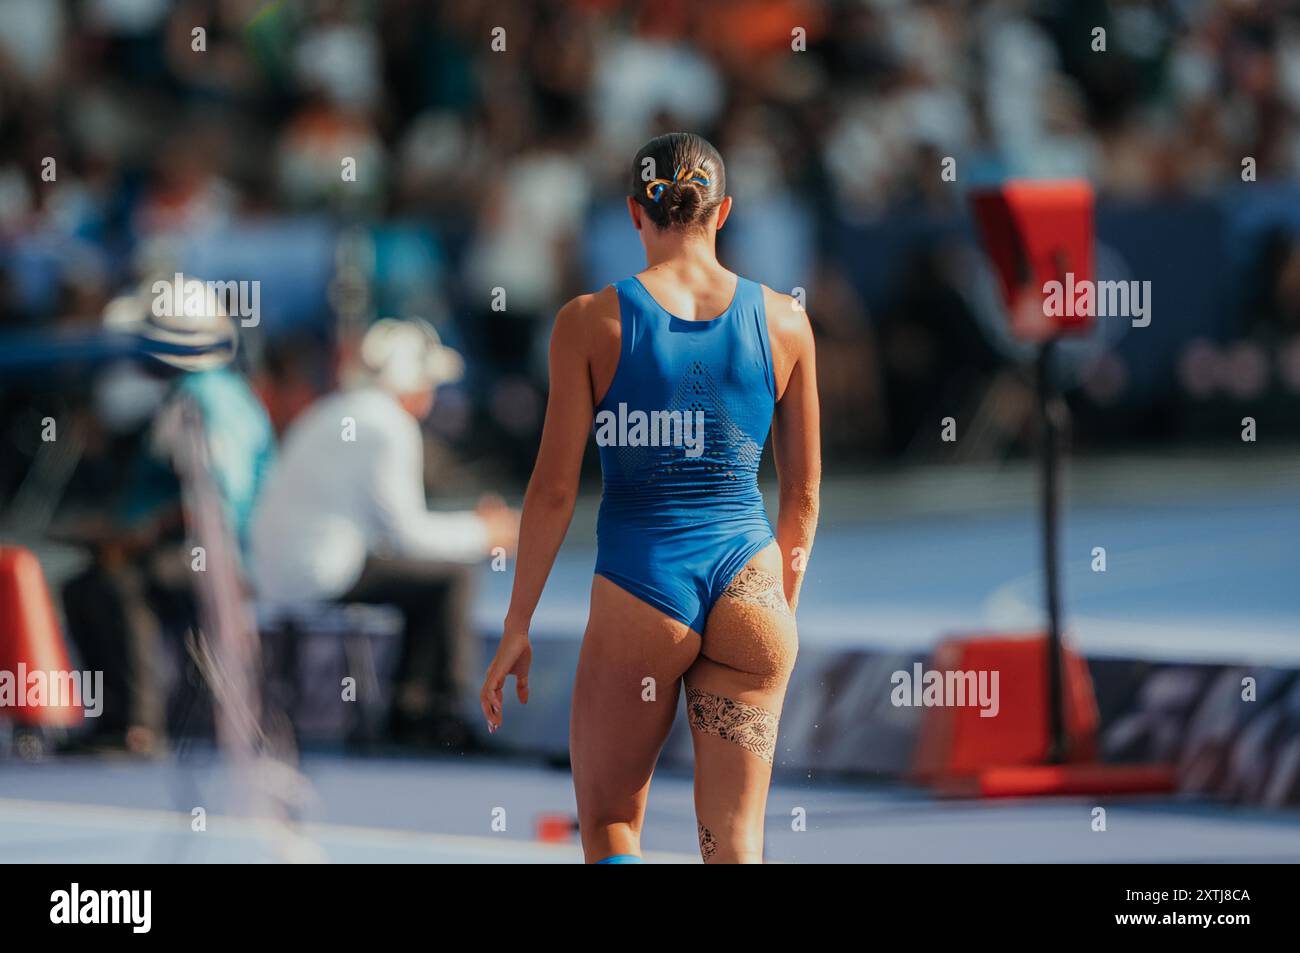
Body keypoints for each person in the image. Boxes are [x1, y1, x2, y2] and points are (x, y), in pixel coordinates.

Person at [480, 133, 821, 863]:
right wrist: (778, 606)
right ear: (723, 211)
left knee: (609, 827)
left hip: (643, 587)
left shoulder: (590, 321)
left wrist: (518, 621)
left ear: (635, 212)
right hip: (752, 583)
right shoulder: (786, 322)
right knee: (735, 843)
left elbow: (552, 491)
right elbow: (804, 495)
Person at [251, 319, 518, 747]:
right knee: (453, 577)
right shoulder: (388, 425)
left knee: (429, 579)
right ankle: (438, 716)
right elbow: (408, 534)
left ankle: (412, 711)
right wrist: (484, 533)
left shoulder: (336, 410)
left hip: (283, 572)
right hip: (317, 572)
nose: (432, 394)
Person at [62, 279, 275, 755]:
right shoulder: (186, 395)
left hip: (223, 560)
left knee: (118, 585)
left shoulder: (207, 400)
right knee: (84, 585)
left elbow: (218, 499)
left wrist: (138, 537)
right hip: (185, 548)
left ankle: (137, 726)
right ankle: (113, 719)